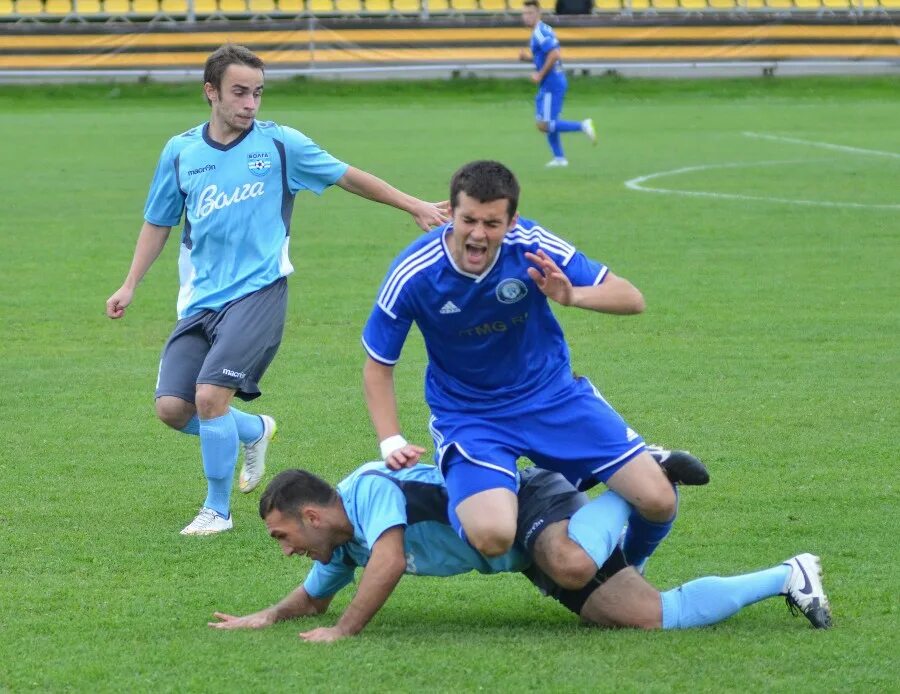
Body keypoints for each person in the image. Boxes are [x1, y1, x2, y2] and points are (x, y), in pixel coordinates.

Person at [105, 44, 448, 536]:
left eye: (258, 93)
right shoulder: (181, 152)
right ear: (211, 92)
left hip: (259, 294)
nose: (250, 103)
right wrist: (130, 283)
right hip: (200, 301)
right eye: (239, 92)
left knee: (209, 398)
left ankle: (216, 511)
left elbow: (348, 176)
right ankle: (254, 429)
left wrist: (412, 205)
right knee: (172, 409)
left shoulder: (280, 145)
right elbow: (158, 221)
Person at [361, 160, 678, 590]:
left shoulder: (532, 246)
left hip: (553, 398)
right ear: (449, 212)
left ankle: (630, 566)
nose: (477, 234)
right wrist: (391, 439)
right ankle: (469, 485)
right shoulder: (414, 272)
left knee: (658, 501)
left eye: (492, 223)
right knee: (491, 536)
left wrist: (571, 295)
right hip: (471, 417)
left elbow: (631, 297)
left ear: (511, 222)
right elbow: (379, 365)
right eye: (468, 219)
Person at [207, 463, 832, 642]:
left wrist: (344, 632)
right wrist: (265, 615)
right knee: (651, 617)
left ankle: (635, 477)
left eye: (282, 535)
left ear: (311, 515)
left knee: (572, 562)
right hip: (523, 553)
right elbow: (313, 593)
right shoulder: (342, 544)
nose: (285, 549)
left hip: (527, 500)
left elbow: (391, 561)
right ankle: (788, 575)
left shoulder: (368, 492)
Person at [519, 0, 596, 167]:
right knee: (549, 122)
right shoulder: (542, 30)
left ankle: (582, 126)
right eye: (524, 13)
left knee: (544, 125)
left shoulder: (540, 32)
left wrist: (539, 74)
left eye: (530, 13)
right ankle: (559, 158)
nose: (526, 17)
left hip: (551, 83)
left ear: (539, 14)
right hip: (553, 81)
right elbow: (545, 56)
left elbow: (554, 55)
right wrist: (528, 59)